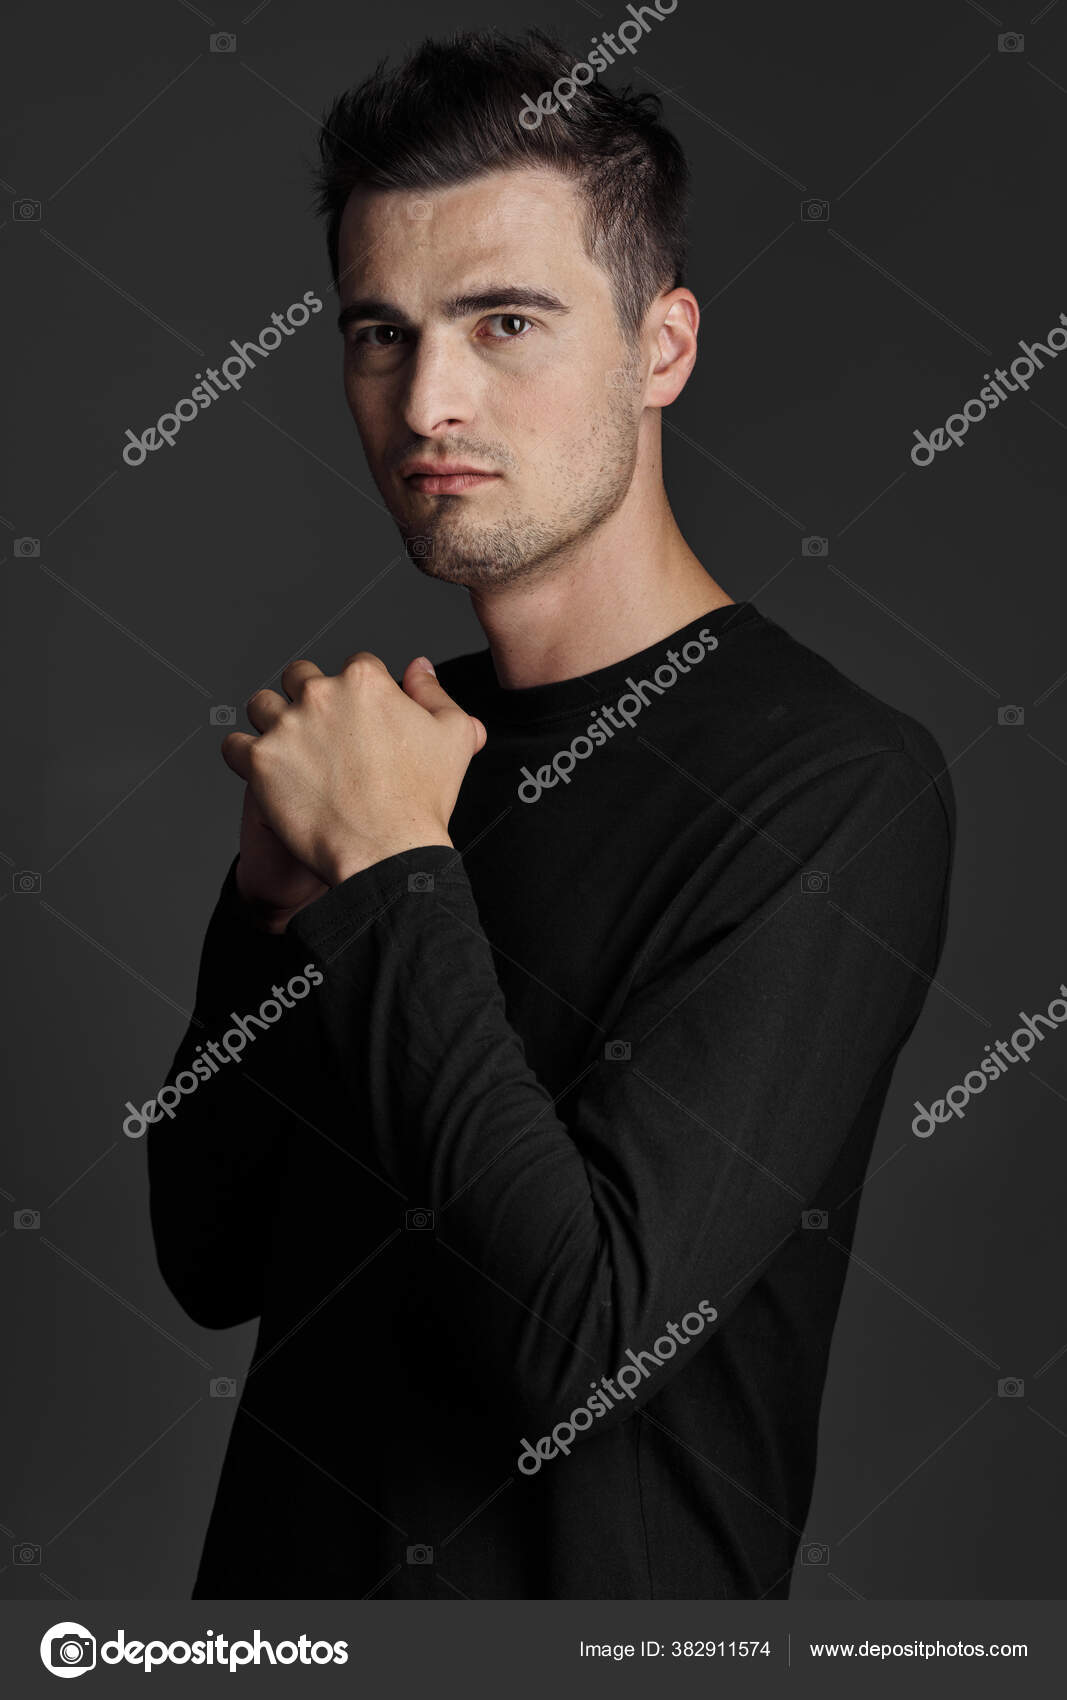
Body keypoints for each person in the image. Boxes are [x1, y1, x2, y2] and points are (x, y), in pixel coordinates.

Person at [146, 29, 955, 1600]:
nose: (427, 398)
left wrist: (385, 872)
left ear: (662, 347)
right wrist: (267, 919)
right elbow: (210, 1257)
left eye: (503, 321)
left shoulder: (832, 782)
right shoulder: (396, 747)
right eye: (380, 335)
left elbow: (575, 1348)